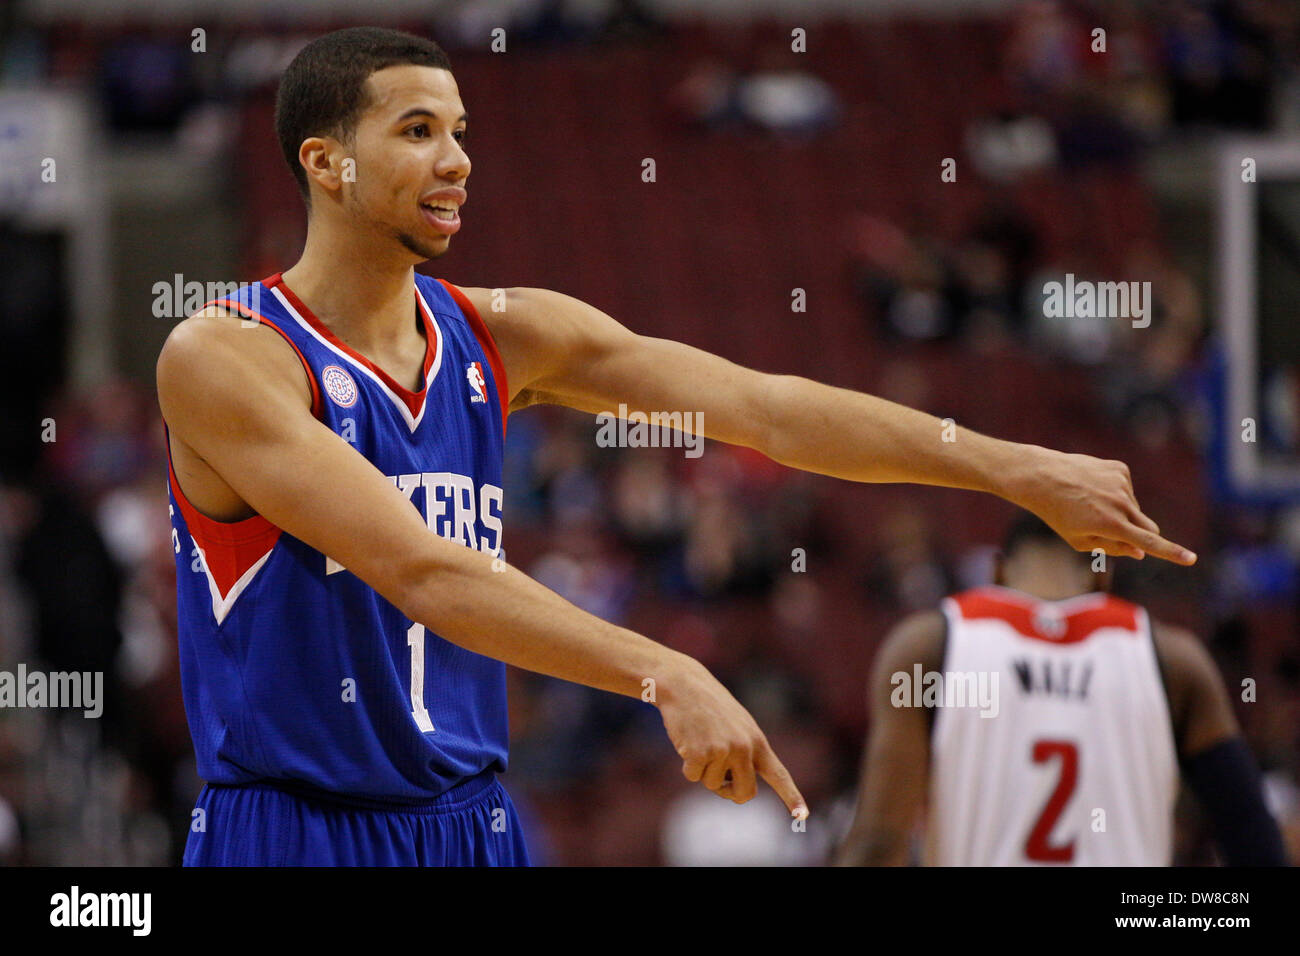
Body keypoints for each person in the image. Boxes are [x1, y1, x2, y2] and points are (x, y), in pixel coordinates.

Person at [156, 27, 1195, 866]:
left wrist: (1009, 462)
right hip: (297, 827)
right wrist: (666, 671)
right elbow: (424, 569)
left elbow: (769, 409)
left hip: (470, 821)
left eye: (462, 130)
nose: (458, 158)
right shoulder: (225, 356)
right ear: (325, 162)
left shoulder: (504, 333)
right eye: (418, 130)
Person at [835, 512, 1286, 866]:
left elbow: (878, 845)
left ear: (997, 571)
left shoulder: (930, 646)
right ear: (1101, 578)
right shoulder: (1174, 661)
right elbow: (1253, 837)